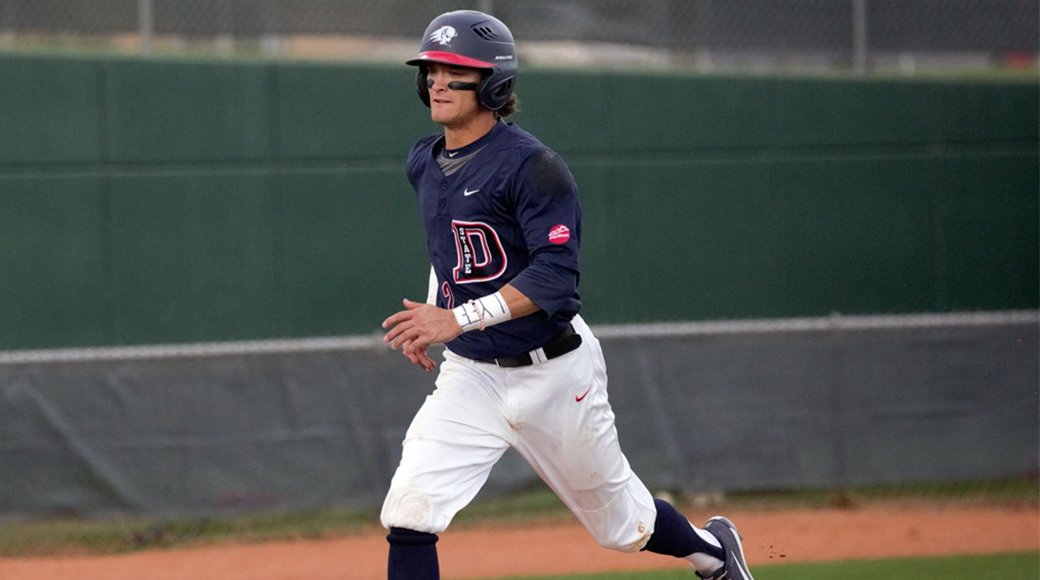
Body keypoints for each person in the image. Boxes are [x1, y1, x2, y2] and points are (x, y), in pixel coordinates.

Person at [380, 10, 755, 580]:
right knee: (410, 512)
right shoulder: (424, 161)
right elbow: (447, 251)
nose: (437, 80)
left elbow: (556, 277)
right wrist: (435, 320)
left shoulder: (534, 166)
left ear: (494, 83)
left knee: (623, 528)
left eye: (456, 70)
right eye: (431, 67)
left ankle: (713, 553)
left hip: (553, 372)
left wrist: (456, 318)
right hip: (472, 375)